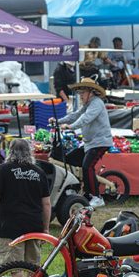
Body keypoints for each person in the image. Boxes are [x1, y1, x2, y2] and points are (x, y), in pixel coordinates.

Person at [0, 138, 51, 268]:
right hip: (34, 226)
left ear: (10, 152)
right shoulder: (39, 173)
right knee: (33, 267)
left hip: (10, 227)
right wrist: (45, 228)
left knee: (13, 267)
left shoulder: (2, 170)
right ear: (30, 152)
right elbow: (46, 204)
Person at [56, 78, 111, 208]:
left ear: (90, 92)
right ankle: (87, 194)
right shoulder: (88, 104)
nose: (80, 96)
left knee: (87, 166)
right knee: (73, 160)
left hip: (99, 142)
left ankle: (97, 197)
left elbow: (85, 118)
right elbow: (75, 115)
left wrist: (71, 127)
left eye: (82, 93)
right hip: (90, 143)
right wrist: (58, 121)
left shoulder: (96, 103)